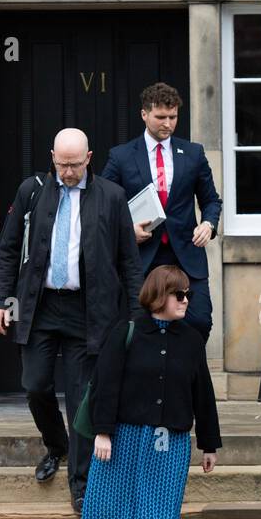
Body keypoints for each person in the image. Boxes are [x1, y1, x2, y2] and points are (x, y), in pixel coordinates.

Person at [0, 128, 142, 513]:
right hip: (38, 307)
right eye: (62, 164)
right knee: (35, 385)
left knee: (80, 400)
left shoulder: (111, 196)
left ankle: (82, 485)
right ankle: (57, 446)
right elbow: (9, 250)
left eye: (75, 164)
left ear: (89, 157)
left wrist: (139, 316)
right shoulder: (33, 191)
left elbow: (128, 261)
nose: (68, 172)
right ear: (52, 157)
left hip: (88, 312)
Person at [79, 265, 221, 519]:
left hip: (169, 441)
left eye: (188, 294)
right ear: (159, 297)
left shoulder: (191, 340)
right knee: (116, 500)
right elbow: (106, 384)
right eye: (180, 295)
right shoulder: (126, 333)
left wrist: (208, 444)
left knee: (162, 515)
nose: (187, 301)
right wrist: (103, 432)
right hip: (124, 435)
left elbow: (202, 393)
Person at [101, 82, 221, 342]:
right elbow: (102, 206)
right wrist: (126, 232)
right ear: (144, 114)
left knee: (199, 321)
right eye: (160, 117)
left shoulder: (193, 153)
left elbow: (211, 200)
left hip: (186, 257)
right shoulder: (121, 156)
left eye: (173, 117)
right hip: (141, 257)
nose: (168, 123)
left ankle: (187, 375)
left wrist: (208, 224)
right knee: (142, 328)